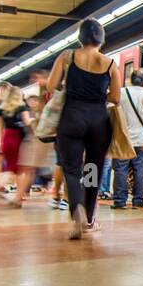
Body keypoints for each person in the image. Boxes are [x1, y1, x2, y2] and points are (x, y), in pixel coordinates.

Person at [48, 18, 121, 238]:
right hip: (98, 121)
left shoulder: (67, 56)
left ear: (80, 37)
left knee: (71, 168)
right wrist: (98, 95)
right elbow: (116, 98)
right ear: (101, 38)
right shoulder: (109, 63)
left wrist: (69, 87)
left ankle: (76, 208)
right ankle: (89, 218)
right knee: (92, 169)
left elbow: (51, 86)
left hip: (71, 117)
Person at [112, 69, 143, 209]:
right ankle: (138, 199)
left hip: (123, 138)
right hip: (141, 139)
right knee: (139, 169)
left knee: (120, 169)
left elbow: (111, 110)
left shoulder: (121, 92)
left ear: (131, 79)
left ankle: (119, 200)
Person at [0, 84, 35, 206]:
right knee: (22, 170)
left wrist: (1, 142)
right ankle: (13, 193)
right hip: (20, 138)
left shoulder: (1, 109)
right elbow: (27, 123)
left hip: (7, 138)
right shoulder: (22, 107)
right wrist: (34, 120)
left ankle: (16, 196)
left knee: (12, 167)